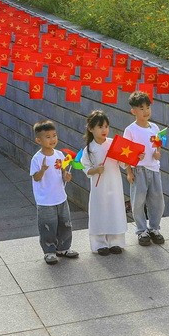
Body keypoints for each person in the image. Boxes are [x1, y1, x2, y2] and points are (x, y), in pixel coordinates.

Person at [30, 120, 79, 265]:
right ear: (38, 140)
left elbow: (63, 172)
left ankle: (64, 248)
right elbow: (36, 178)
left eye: (54, 135)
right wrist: (42, 170)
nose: (52, 139)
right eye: (48, 137)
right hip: (45, 200)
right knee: (48, 226)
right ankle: (49, 251)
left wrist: (66, 176)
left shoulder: (60, 154)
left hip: (61, 197)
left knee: (65, 223)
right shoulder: (37, 158)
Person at [123, 91, 165, 246]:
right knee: (138, 202)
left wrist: (157, 153)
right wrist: (129, 172)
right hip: (138, 170)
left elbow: (157, 146)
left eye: (148, 107)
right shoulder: (130, 130)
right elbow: (125, 153)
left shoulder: (155, 127)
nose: (146, 111)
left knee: (157, 201)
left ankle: (154, 228)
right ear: (133, 111)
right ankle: (142, 230)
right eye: (141, 108)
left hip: (154, 169)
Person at [83, 110, 128, 255]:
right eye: (100, 127)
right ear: (91, 129)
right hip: (99, 188)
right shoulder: (89, 149)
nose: (104, 130)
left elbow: (123, 162)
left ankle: (116, 242)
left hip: (114, 185)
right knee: (100, 211)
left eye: (106, 126)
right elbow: (86, 168)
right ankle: (99, 243)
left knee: (115, 209)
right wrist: (96, 170)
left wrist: (134, 157)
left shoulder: (113, 144)